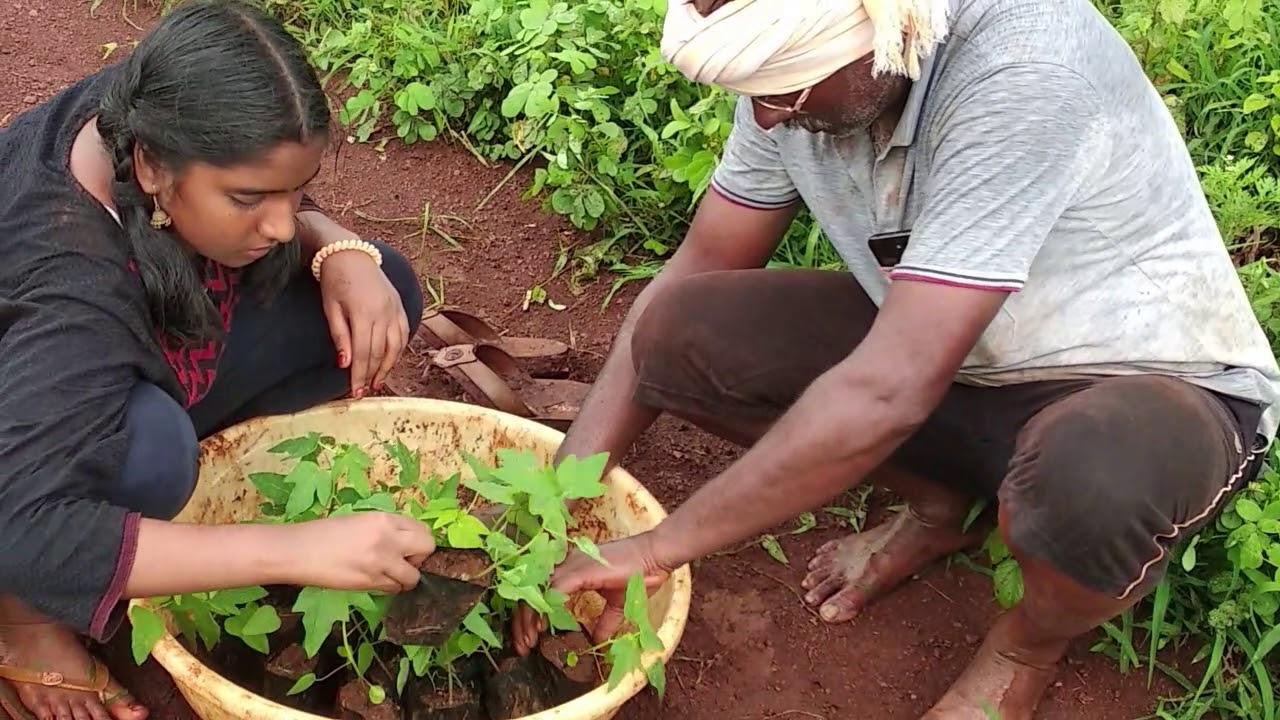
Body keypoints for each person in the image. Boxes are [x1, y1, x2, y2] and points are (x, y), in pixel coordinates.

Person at [511, 0, 1280, 717]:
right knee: (680, 329)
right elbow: (704, 260)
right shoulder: (798, 67)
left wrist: (655, 548)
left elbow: (889, 390)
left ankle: (1026, 648)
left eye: (784, 88)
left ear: (883, 35)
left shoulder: (1027, 68)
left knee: (1091, 476)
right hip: (949, 355)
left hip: (1136, 390)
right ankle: (942, 510)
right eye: (755, 90)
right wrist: (557, 507)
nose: (766, 116)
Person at [0, 2, 439, 718]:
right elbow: (19, 527)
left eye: (295, 190)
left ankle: (148, 530)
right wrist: (295, 548)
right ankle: (21, 619)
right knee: (153, 453)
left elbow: (283, 205)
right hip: (14, 453)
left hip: (73, 360)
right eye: (248, 198)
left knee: (377, 292)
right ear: (152, 166)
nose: (282, 223)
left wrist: (335, 246)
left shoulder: (154, 101)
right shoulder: (69, 289)